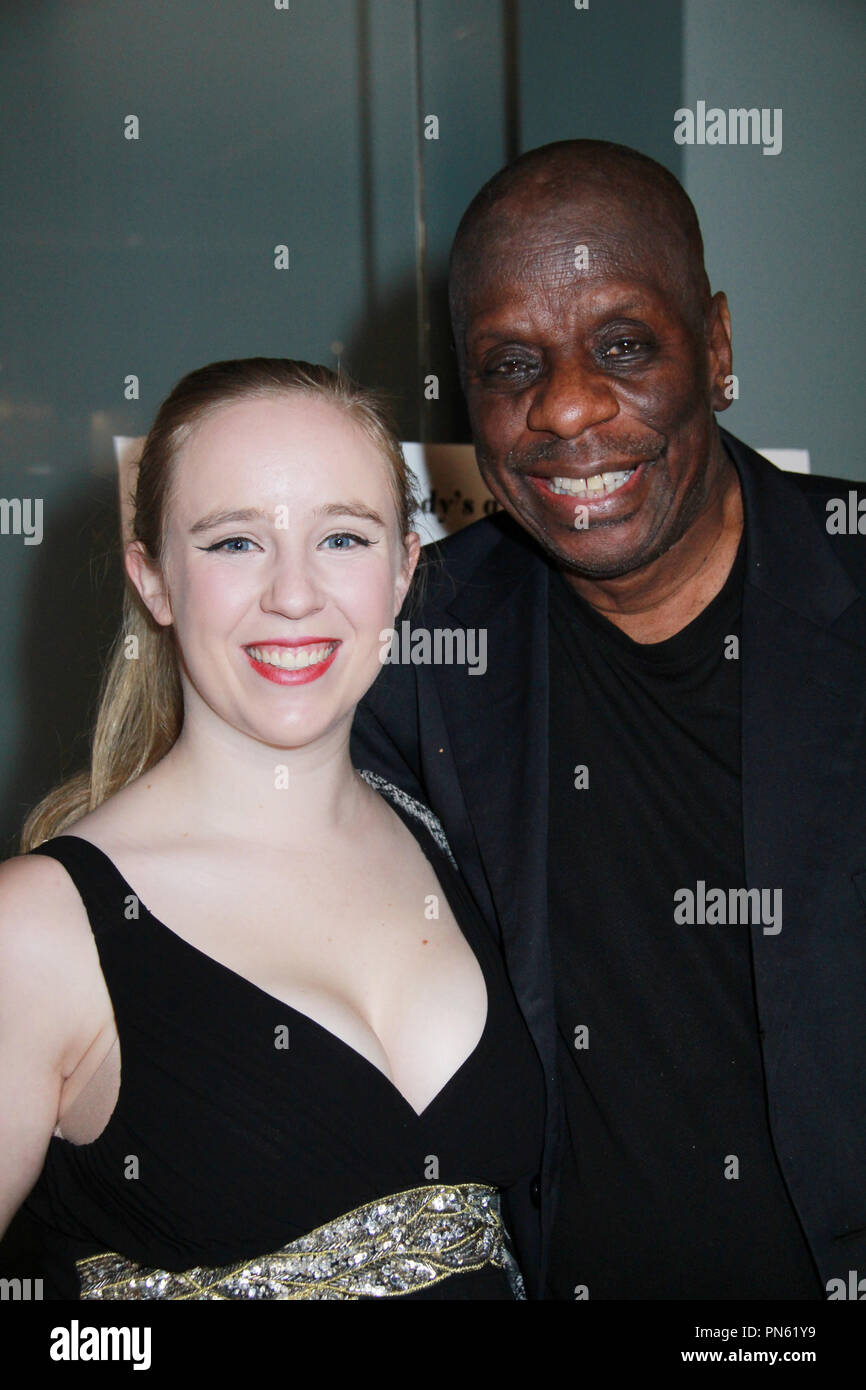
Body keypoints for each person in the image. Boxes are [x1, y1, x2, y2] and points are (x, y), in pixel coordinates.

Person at [352, 140, 866, 1300]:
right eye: (510, 364)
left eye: (622, 347)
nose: (568, 407)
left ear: (717, 348)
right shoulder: (414, 642)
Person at [0, 357, 545, 1300]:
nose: (295, 594)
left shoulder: (452, 840)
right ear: (154, 581)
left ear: (405, 569)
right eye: (233, 544)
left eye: (343, 537)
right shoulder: (40, 932)